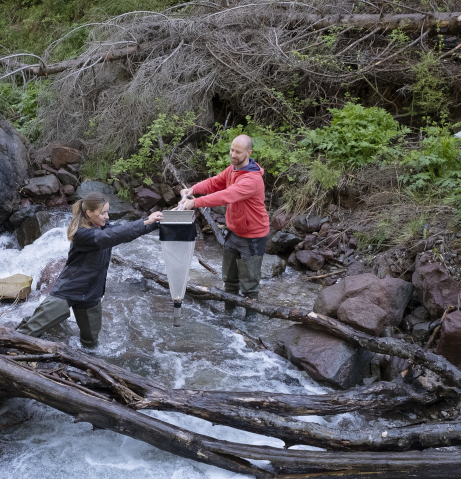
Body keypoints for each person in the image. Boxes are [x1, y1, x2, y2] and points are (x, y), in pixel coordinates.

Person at [16, 193, 163, 346]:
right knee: (29, 331)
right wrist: (145, 221)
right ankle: (6, 349)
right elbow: (110, 236)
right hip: (70, 289)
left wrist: (158, 221)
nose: (107, 216)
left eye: (107, 212)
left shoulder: (103, 227)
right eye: (103, 213)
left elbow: (124, 232)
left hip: (92, 291)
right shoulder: (82, 233)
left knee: (91, 343)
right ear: (89, 213)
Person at [179, 134, 270, 314]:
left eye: (238, 152)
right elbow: (214, 183)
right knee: (229, 280)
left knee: (249, 287)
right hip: (233, 232)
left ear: (249, 153)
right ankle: (229, 316)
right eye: (232, 150)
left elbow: (226, 195)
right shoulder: (232, 170)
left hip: (253, 236)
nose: (233, 155)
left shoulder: (252, 180)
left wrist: (195, 202)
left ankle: (250, 325)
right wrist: (193, 189)